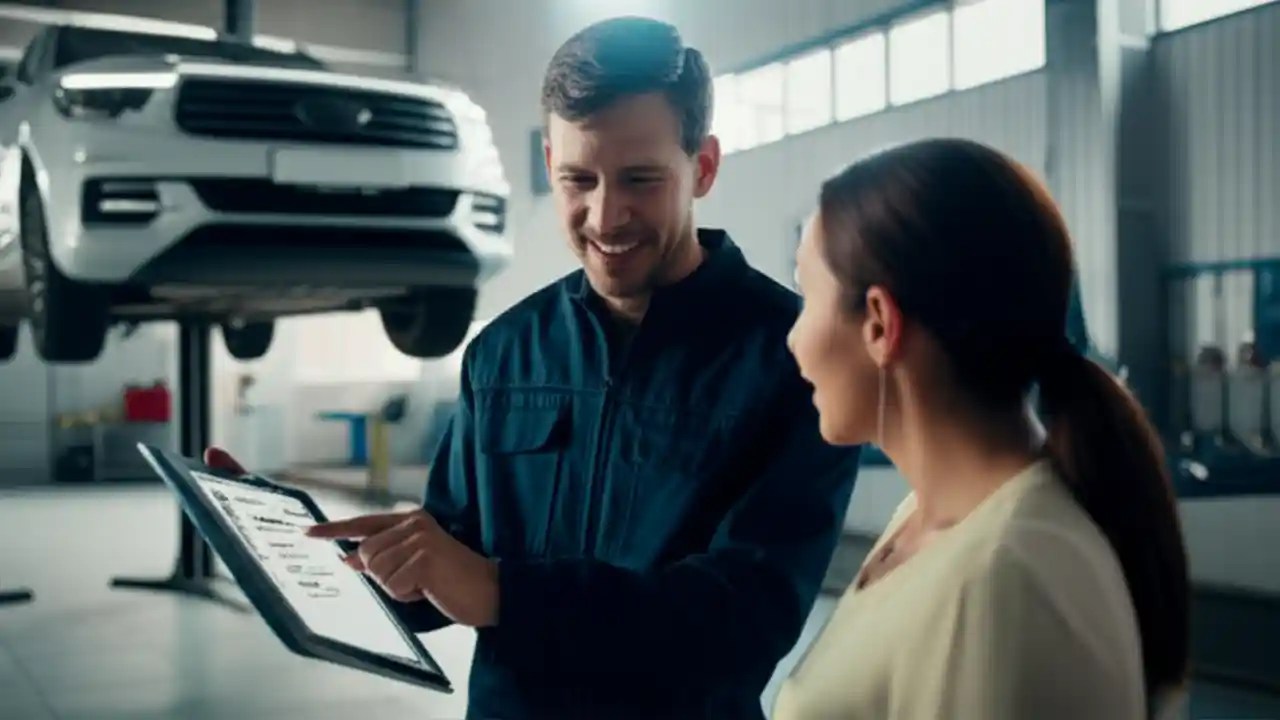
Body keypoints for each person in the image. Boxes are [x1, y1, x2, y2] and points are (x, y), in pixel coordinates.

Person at [209, 16, 861, 720]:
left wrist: (501, 591)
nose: (606, 216)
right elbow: (453, 557)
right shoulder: (504, 352)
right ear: (549, 162)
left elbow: (743, 622)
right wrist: (312, 563)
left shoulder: (794, 357)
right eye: (578, 179)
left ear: (702, 165)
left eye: (640, 179)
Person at [773, 138, 1190, 720]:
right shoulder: (931, 518)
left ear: (878, 323)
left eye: (804, 294)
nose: (793, 339)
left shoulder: (1001, 578)